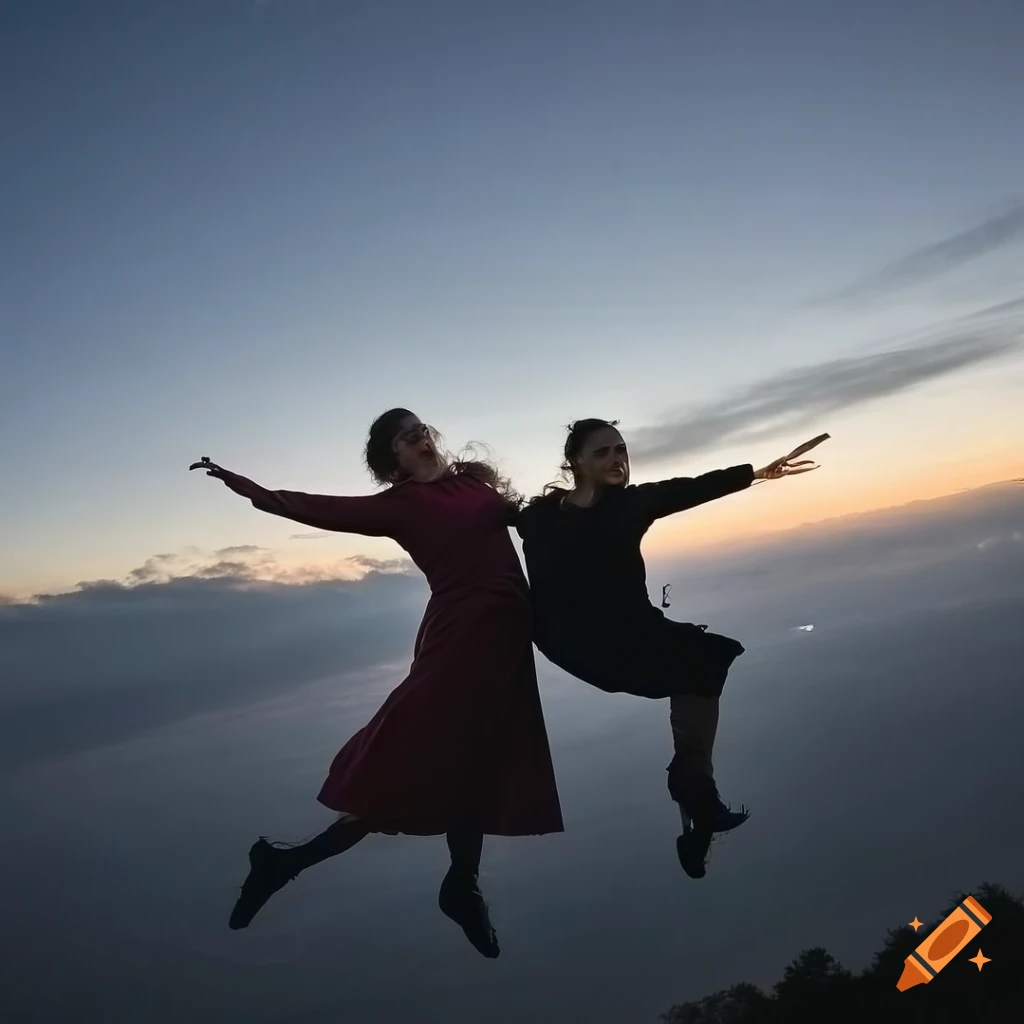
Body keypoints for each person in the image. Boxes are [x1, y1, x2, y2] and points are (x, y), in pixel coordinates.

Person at [191, 409, 563, 957]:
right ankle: (304, 865)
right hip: (460, 641)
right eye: (404, 436)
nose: (419, 436)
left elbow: (531, 522)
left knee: (476, 762)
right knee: (411, 763)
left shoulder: (474, 486)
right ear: (393, 460)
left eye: (421, 428)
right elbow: (315, 508)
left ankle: (458, 885)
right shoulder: (401, 506)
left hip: (507, 642)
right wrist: (245, 485)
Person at [515, 418, 822, 879]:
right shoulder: (537, 517)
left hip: (633, 631)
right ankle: (691, 787)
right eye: (602, 453)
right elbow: (478, 517)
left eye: (621, 449)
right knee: (696, 662)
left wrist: (757, 472)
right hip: (576, 642)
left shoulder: (631, 504)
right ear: (575, 461)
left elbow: (690, 488)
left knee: (706, 657)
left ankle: (696, 797)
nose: (617, 459)